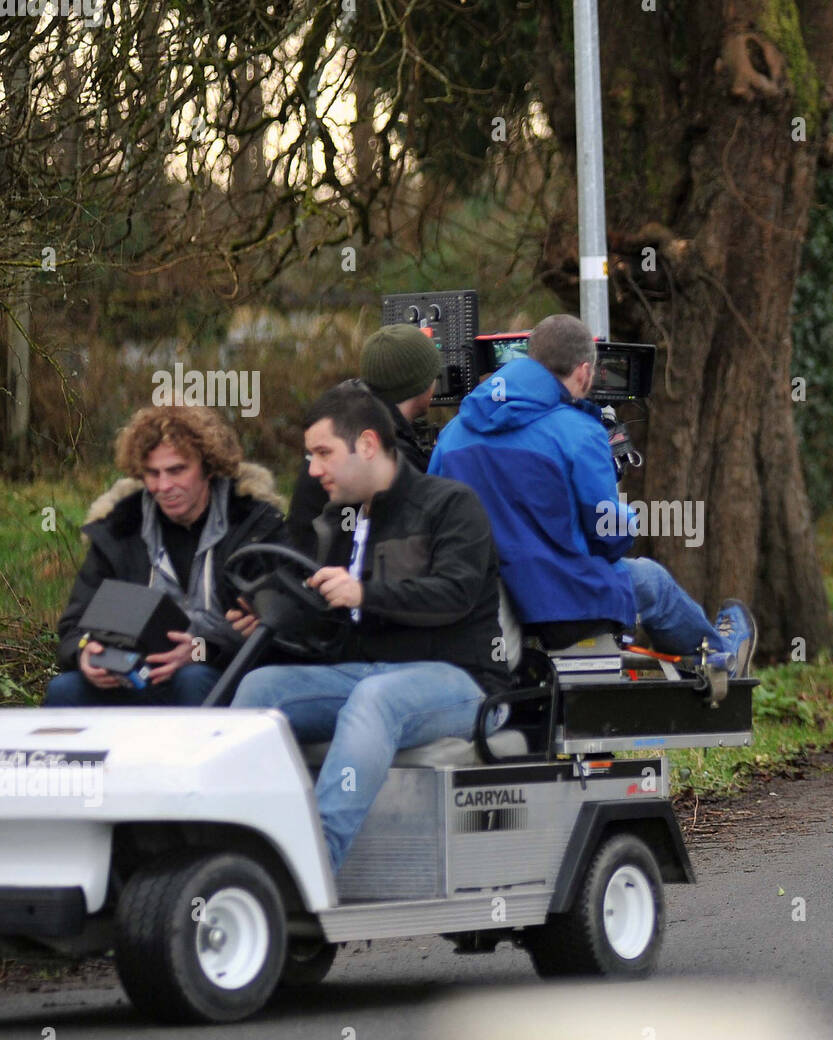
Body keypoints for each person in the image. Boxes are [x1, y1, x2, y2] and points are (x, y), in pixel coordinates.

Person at [230, 384, 509, 872]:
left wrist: (365, 592)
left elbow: (455, 595)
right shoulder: (336, 520)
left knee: (376, 697)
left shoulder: (450, 506)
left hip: (461, 681)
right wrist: (275, 614)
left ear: (366, 444)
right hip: (367, 671)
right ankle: (227, 844)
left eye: (322, 454)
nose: (312, 470)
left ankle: (311, 865)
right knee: (261, 686)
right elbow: (329, 614)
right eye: (310, 456)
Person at [427, 313, 756, 674]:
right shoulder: (580, 431)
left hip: (480, 603)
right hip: (561, 604)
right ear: (584, 372)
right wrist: (627, 516)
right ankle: (722, 658)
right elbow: (610, 538)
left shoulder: (454, 432)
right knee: (653, 580)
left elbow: (435, 516)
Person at [45, 405, 288, 708]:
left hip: (220, 673)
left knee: (192, 679)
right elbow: (74, 626)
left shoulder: (254, 526)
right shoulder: (119, 530)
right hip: (134, 671)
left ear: (208, 467)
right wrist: (85, 653)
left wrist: (199, 649)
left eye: (176, 470)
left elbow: (277, 633)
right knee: (63, 690)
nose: (164, 486)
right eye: (152, 473)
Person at [284, 323, 443, 553]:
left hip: (306, 569)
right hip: (343, 579)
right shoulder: (389, 455)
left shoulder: (338, 422)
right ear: (423, 384)